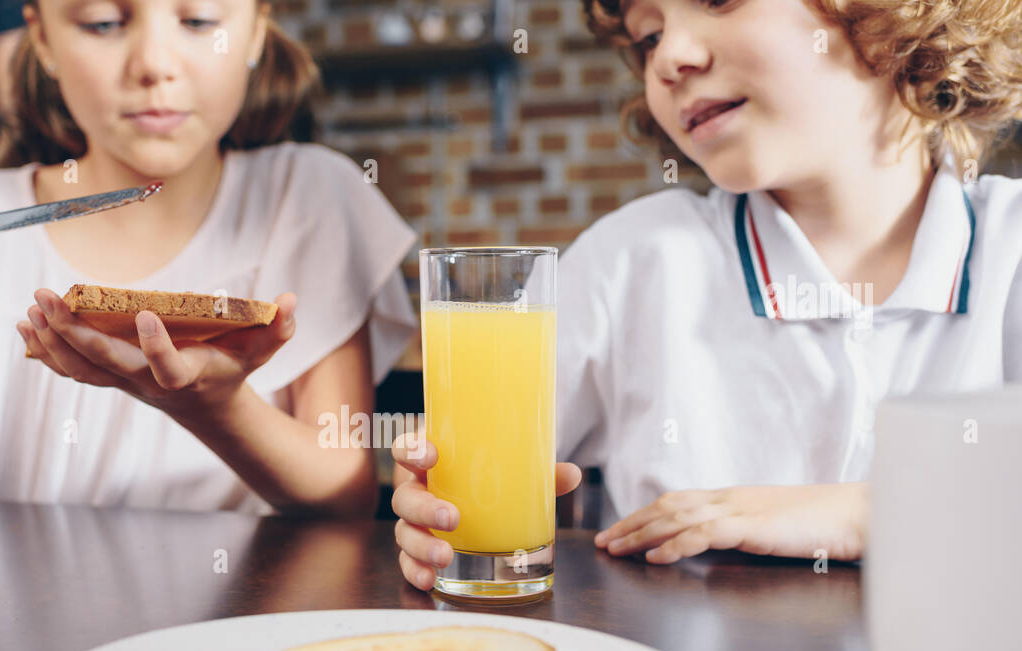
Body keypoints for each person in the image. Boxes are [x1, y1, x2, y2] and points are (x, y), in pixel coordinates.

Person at [392, 0, 1022, 589]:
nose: (669, 59)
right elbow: (463, 472)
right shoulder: (631, 259)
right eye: (648, 37)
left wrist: (869, 513)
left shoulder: (1011, 249)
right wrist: (436, 500)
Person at [0, 0, 417, 516]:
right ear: (43, 38)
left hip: (229, 643)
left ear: (258, 29)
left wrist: (215, 407)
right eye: (103, 23)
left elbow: (343, 498)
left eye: (200, 20)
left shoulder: (310, 198)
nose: (153, 65)